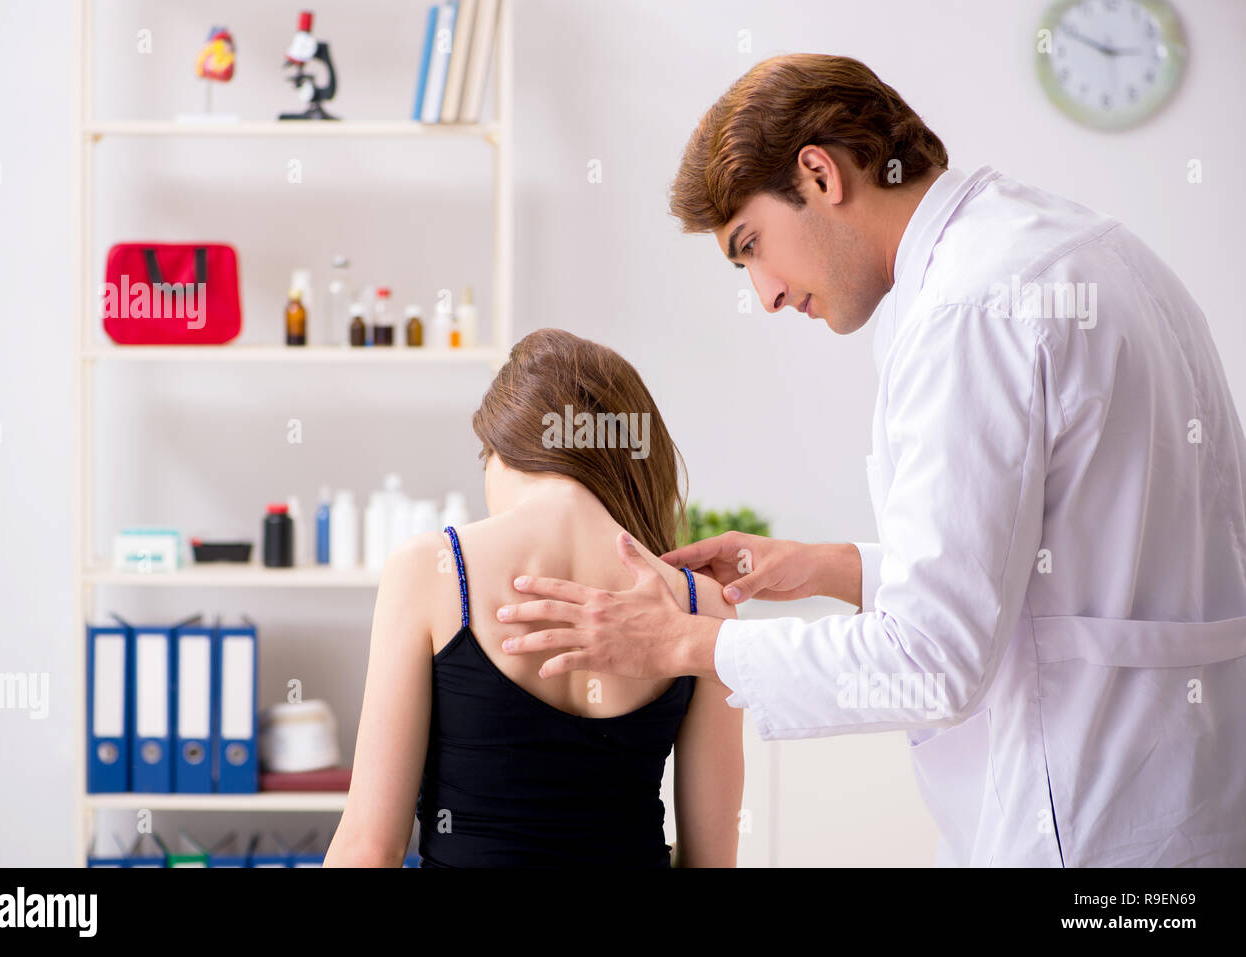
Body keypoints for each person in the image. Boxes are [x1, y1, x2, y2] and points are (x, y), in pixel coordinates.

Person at [497, 54, 1246, 866]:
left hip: (1089, 833)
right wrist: (831, 567)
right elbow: (1062, 567)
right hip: (1184, 812)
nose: (767, 294)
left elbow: (932, 660)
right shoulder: (1084, 249)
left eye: (750, 246)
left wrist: (684, 643)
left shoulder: (970, 311)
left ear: (819, 174)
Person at [325, 328, 743, 867]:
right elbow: (712, 861)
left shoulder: (431, 571)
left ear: (502, 450)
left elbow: (370, 845)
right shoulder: (702, 603)